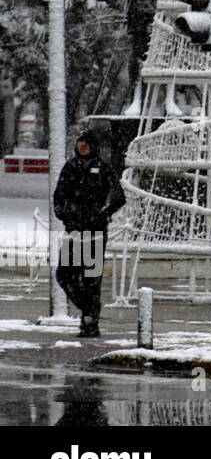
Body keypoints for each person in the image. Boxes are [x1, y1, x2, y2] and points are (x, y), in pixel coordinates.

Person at [52, 127, 126, 337]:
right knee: (65, 274)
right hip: (74, 231)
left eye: (86, 142)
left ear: (93, 146)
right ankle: (89, 309)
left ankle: (90, 323)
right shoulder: (70, 167)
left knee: (91, 278)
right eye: (80, 141)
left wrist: (103, 214)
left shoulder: (103, 169)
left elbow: (119, 197)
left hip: (95, 232)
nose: (82, 145)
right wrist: (64, 214)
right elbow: (59, 195)